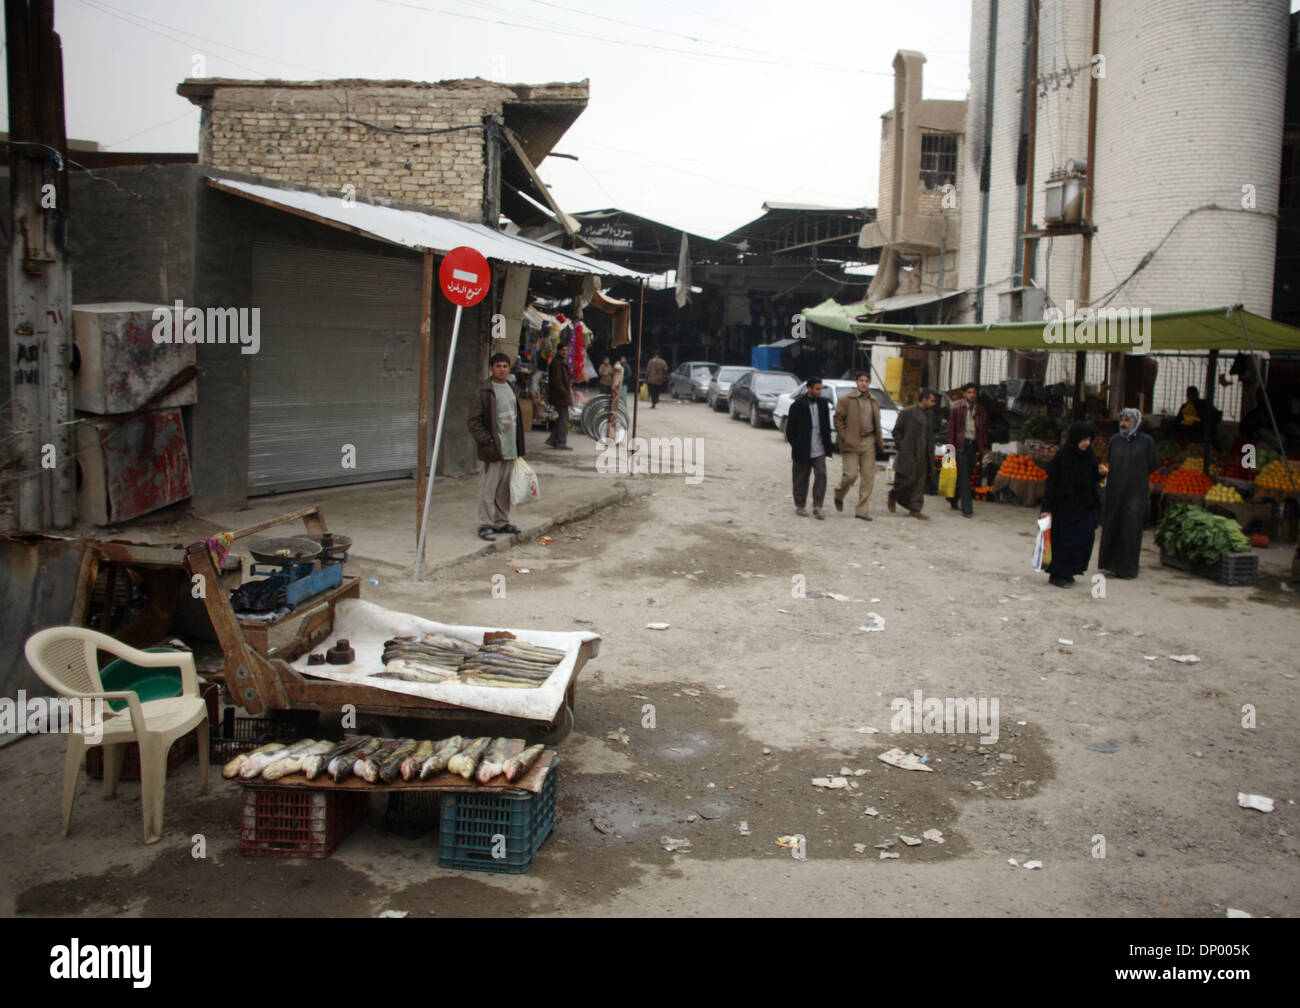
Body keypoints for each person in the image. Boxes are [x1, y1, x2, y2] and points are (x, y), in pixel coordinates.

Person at [467, 352, 526, 542]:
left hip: (511, 448)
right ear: (491, 368)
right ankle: (485, 524)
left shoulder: (511, 387)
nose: (501, 369)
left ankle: (501, 522)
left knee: (504, 489)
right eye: (498, 366)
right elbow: (473, 422)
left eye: (505, 366)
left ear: (509, 369)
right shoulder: (484, 391)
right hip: (493, 449)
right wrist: (488, 441)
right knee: (488, 488)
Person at [1040, 421, 1105, 587]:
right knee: (1065, 541)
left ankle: (1072, 571)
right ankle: (1058, 575)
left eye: (1089, 440)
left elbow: (1090, 476)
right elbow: (1052, 483)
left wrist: (1099, 473)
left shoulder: (1088, 455)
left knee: (1084, 538)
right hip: (1065, 507)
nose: (1086, 443)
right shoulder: (1063, 456)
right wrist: (1047, 508)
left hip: (1084, 506)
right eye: (1083, 440)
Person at [1098, 407, 1160, 579]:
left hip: (1135, 493)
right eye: (1122, 420)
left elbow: (1154, 464)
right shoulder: (1115, 440)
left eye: (1128, 421)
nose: (1124, 424)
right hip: (1115, 490)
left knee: (1130, 529)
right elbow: (1110, 460)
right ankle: (1110, 565)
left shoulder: (1146, 441)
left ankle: (1127, 569)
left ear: (1136, 422)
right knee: (1113, 525)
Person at [833, 371, 885, 520]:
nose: (864, 383)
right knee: (850, 475)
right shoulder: (846, 400)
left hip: (869, 440)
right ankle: (839, 494)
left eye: (866, 381)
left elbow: (877, 422)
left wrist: (878, 441)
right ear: (856, 382)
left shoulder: (874, 400)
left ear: (869, 383)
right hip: (852, 441)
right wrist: (845, 436)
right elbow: (838, 419)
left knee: (868, 477)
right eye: (861, 380)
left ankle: (862, 510)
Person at [786, 378, 835, 519]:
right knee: (801, 478)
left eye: (821, 389)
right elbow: (790, 430)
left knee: (821, 475)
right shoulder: (797, 405)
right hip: (802, 449)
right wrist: (796, 445)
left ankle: (817, 506)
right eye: (817, 389)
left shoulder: (823, 404)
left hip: (819, 448)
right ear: (810, 389)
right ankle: (800, 505)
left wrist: (828, 446)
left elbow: (826, 426)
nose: (820, 392)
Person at [888, 388, 937, 520]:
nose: (934, 403)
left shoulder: (930, 415)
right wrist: (902, 446)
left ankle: (915, 509)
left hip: (924, 454)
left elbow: (930, 435)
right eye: (932, 401)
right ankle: (894, 494)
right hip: (909, 454)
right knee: (905, 481)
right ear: (924, 400)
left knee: (920, 483)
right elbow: (896, 432)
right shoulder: (907, 412)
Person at [947, 382, 989, 517]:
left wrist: (983, 447)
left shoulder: (981, 411)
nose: (972, 395)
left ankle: (953, 498)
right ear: (964, 394)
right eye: (969, 392)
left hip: (972, 446)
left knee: (966, 474)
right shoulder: (956, 408)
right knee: (964, 477)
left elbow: (983, 430)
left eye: (974, 393)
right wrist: (950, 450)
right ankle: (967, 508)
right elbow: (951, 430)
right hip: (960, 446)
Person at [545, 340, 573, 450]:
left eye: (566, 350)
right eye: (563, 350)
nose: (565, 352)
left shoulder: (560, 362)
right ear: (558, 351)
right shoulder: (557, 363)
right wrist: (565, 394)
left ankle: (552, 440)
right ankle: (561, 442)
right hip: (560, 397)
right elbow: (557, 382)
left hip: (561, 396)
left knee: (561, 419)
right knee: (563, 420)